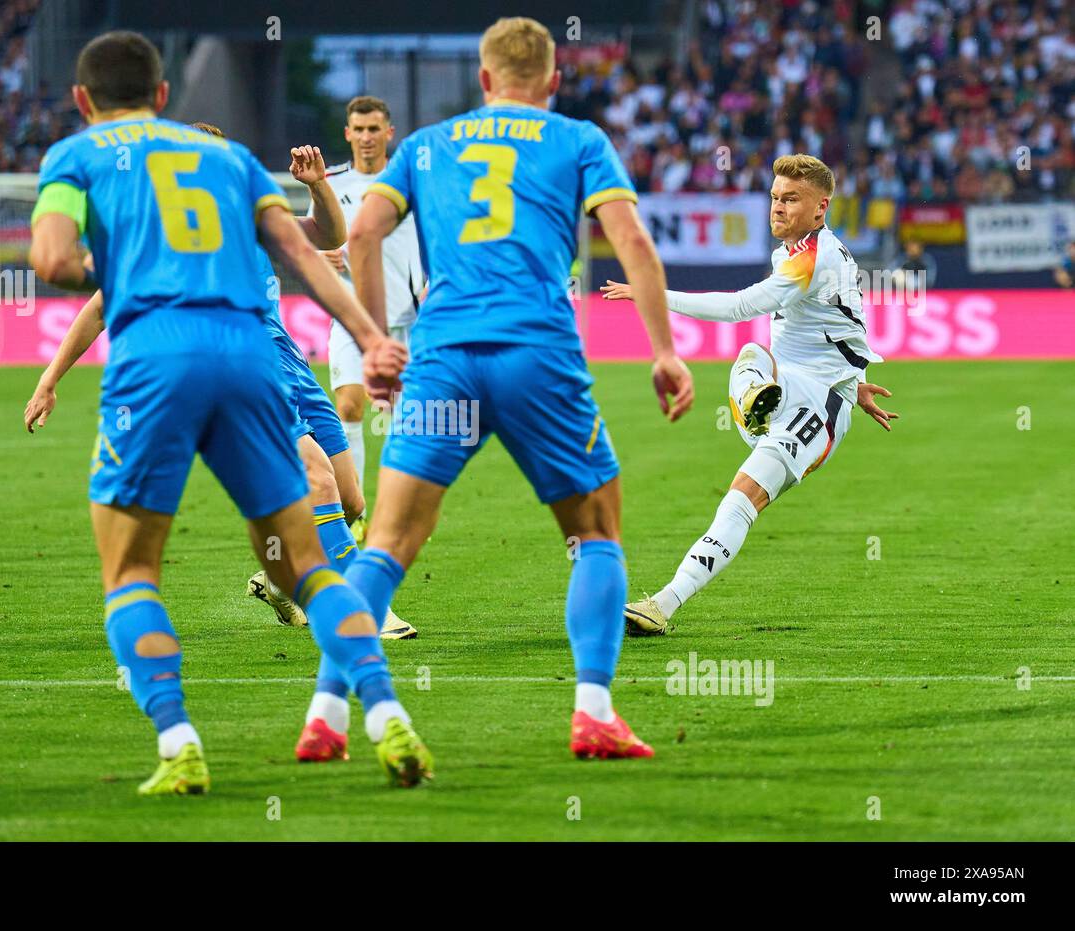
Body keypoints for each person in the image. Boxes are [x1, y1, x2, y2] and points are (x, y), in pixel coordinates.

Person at [27, 32, 431, 793]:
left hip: (155, 358)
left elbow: (51, 260)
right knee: (309, 558)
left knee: (133, 570)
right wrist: (373, 336)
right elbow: (314, 256)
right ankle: (383, 713)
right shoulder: (232, 164)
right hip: (248, 353)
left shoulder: (75, 158)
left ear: (83, 101)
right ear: (164, 97)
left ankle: (180, 744)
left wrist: (121, 267)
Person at [338, 17, 694, 763]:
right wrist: (663, 350)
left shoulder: (427, 144)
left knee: (388, 543)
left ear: (484, 79)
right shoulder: (578, 140)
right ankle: (593, 712)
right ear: (554, 82)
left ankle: (330, 711)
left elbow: (362, 234)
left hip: (443, 356)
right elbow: (632, 240)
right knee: (595, 532)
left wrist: (375, 340)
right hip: (538, 354)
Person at [601, 154, 899, 636]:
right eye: (776, 197)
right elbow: (841, 324)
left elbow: (740, 305)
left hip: (821, 406)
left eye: (792, 199)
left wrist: (653, 292)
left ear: (821, 207)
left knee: (741, 497)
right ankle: (758, 405)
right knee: (751, 354)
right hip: (797, 379)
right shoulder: (797, 251)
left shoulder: (813, 257)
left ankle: (663, 604)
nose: (778, 208)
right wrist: (858, 378)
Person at [317, 96, 425, 537]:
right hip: (350, 314)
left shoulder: (411, 183)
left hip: (409, 318)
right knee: (348, 404)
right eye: (358, 129)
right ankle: (355, 517)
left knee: (411, 421)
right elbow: (314, 243)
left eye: (373, 129)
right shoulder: (331, 184)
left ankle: (403, 512)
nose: (365, 137)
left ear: (388, 132)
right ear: (347, 133)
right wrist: (324, 257)